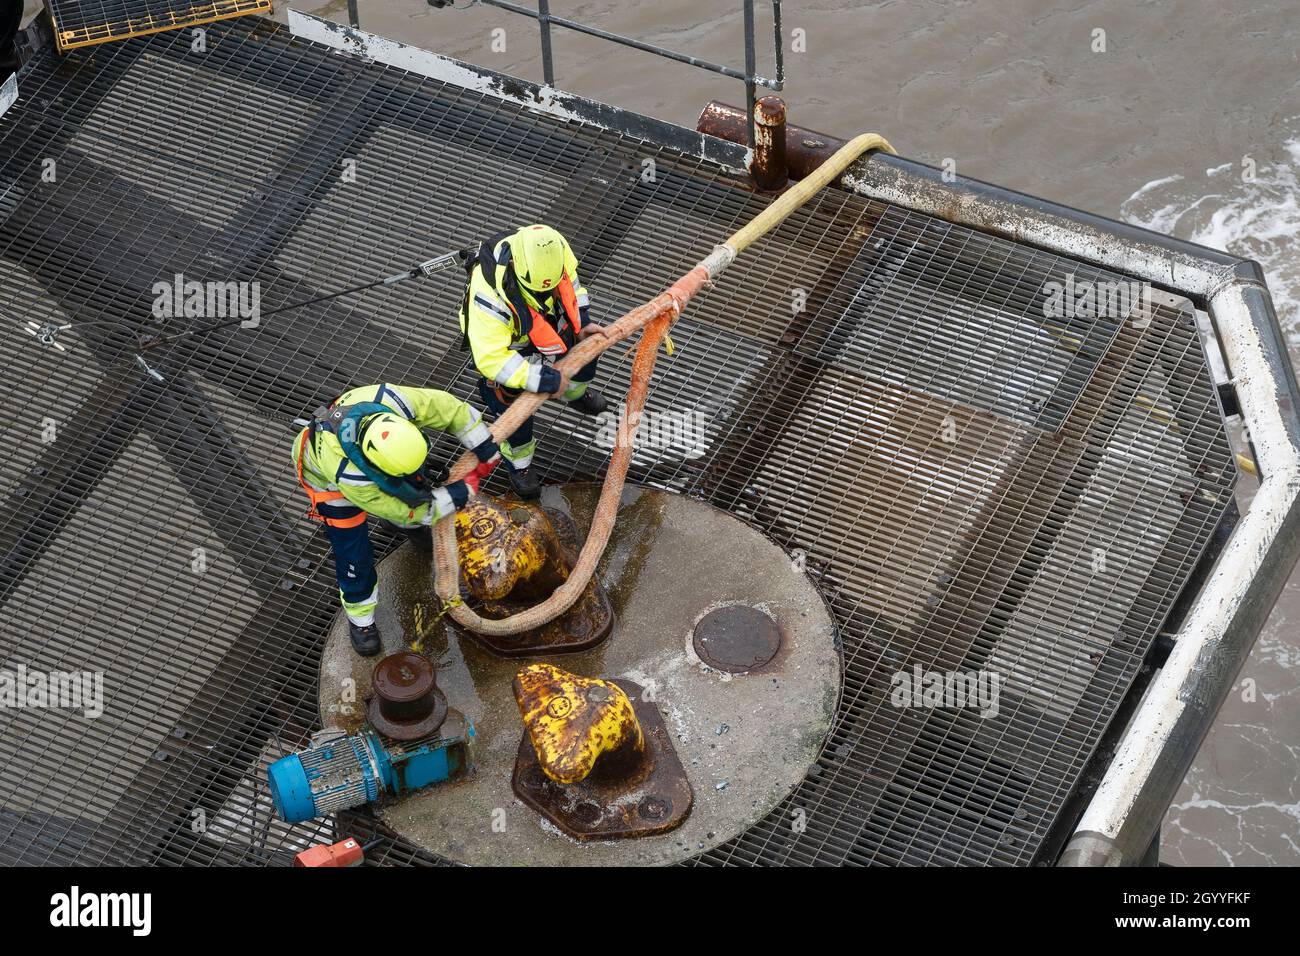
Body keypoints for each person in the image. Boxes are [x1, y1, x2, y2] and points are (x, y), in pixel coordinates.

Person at [292, 383, 499, 655]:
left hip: (380, 464)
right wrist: (459, 494)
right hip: (329, 485)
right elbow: (403, 509)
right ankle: (361, 618)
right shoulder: (350, 475)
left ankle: (410, 530)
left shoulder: (393, 401)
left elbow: (450, 409)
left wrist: (483, 444)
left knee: (416, 490)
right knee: (354, 552)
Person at [458, 223, 606, 499]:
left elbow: (573, 285)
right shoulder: (488, 298)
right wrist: (542, 379)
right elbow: (492, 358)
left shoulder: (555, 252)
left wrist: (583, 322)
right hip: (514, 352)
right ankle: (520, 465)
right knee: (515, 416)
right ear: (514, 264)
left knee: (586, 353)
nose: (543, 294)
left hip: (551, 327)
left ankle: (575, 394)